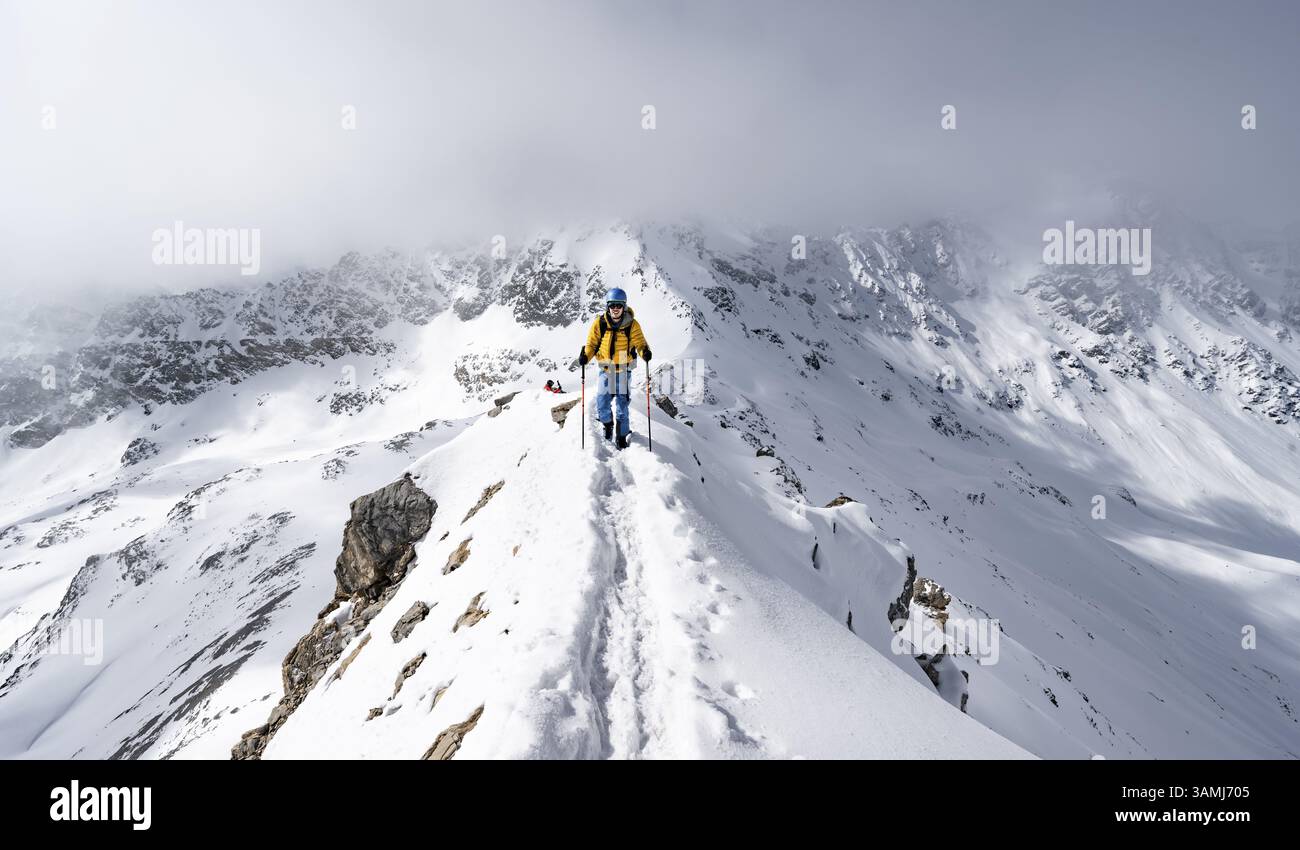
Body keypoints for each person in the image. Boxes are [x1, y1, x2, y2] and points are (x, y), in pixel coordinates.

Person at [578, 288, 651, 449]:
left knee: (622, 407)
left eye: (619, 305)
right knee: (602, 404)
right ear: (608, 306)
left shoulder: (632, 324)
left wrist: (644, 351)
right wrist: (586, 356)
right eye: (612, 305)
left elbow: (639, 343)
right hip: (606, 369)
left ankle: (622, 436)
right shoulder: (600, 322)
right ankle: (608, 425)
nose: (615, 309)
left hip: (624, 369)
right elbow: (592, 343)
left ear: (624, 307)